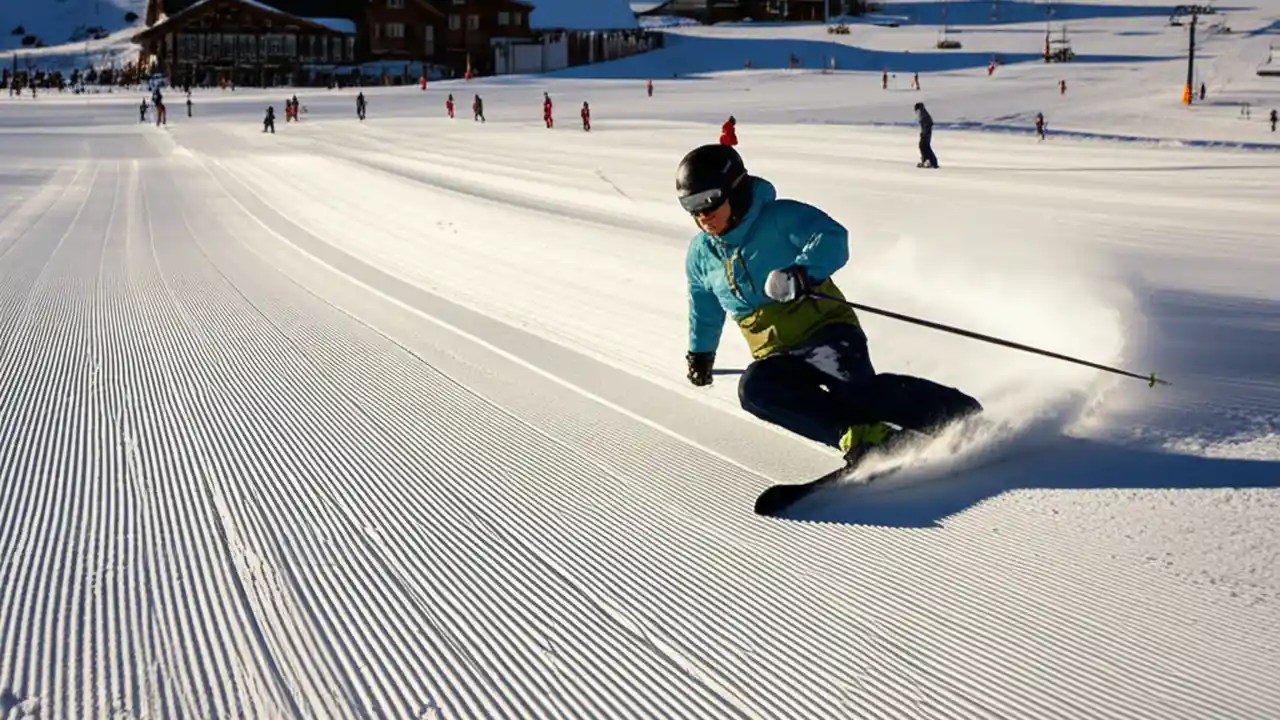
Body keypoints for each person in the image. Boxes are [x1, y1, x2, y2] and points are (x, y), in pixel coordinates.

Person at [677, 145, 981, 468]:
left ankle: (956, 414)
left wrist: (802, 272)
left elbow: (832, 236)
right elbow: (704, 306)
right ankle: (859, 436)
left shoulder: (779, 218)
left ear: (735, 191)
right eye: (690, 205)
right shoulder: (701, 254)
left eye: (708, 200)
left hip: (827, 332)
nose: (702, 214)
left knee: (855, 394)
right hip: (777, 354)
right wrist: (701, 354)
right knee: (755, 389)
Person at [915, 102, 938, 168]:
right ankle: (931, 161)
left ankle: (928, 161)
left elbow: (927, 124)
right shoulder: (923, 114)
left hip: (926, 134)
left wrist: (924, 133)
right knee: (925, 146)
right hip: (926, 133)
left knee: (923, 146)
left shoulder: (924, 115)